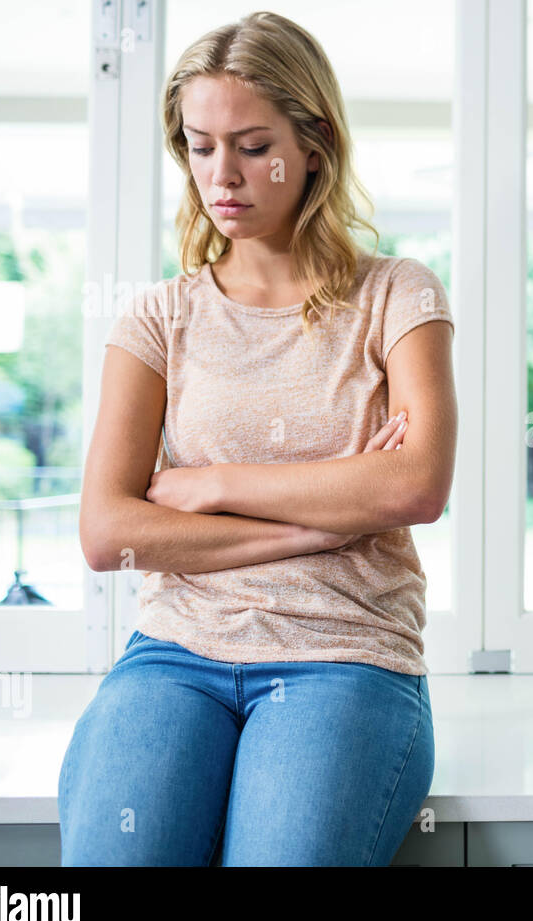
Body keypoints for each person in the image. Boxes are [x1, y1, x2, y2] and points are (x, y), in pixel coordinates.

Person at [61, 11, 456, 866]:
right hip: (174, 658)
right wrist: (317, 522)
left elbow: (415, 487)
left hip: (346, 661)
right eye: (200, 147)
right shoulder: (159, 319)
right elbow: (108, 533)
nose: (220, 174)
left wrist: (210, 484)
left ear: (313, 143)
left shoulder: (398, 297)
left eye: (248, 144)